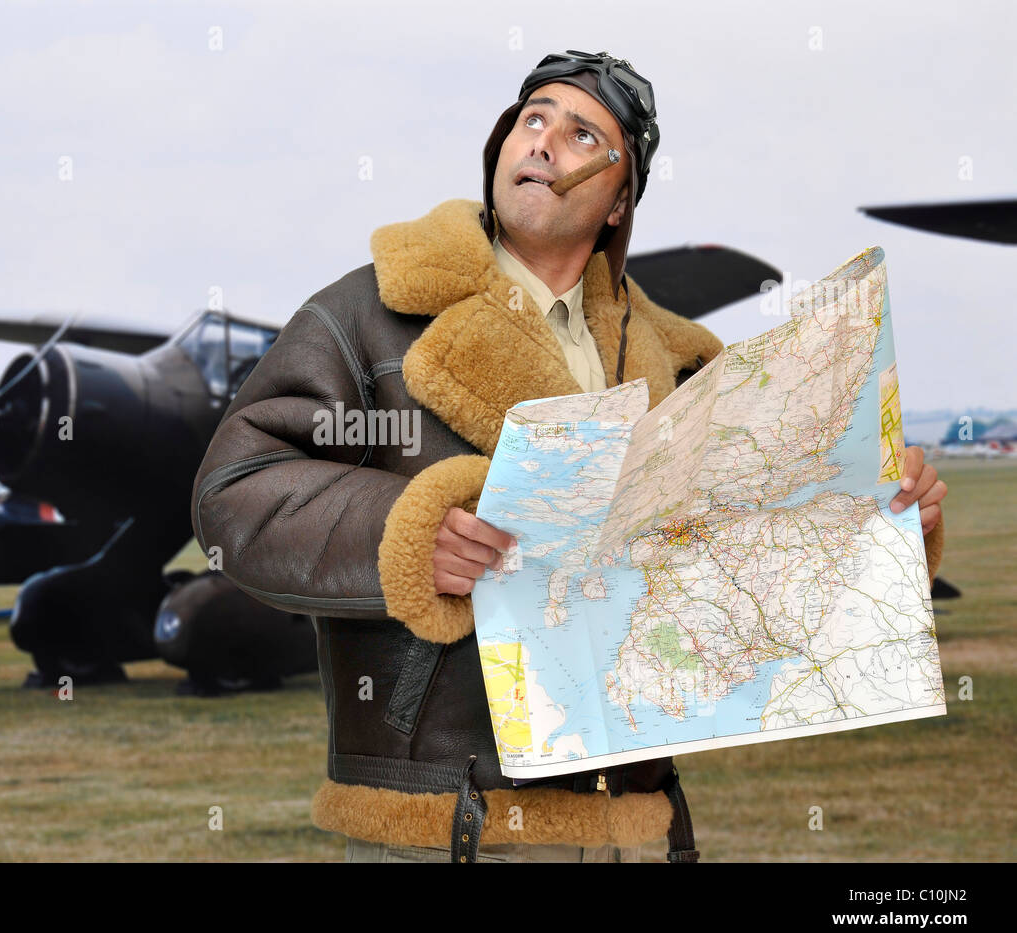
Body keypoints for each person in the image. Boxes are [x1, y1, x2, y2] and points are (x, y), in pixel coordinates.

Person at [191, 50, 947, 863]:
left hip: (638, 829)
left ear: (619, 200)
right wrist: (407, 531)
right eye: (532, 120)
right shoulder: (367, 313)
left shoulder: (686, 365)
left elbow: (748, 571)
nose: (543, 142)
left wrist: (888, 512)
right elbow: (234, 492)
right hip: (448, 829)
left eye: (582, 133)